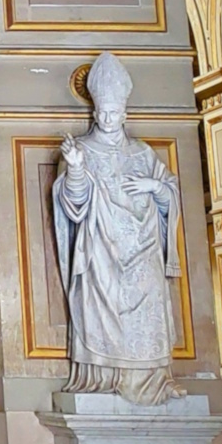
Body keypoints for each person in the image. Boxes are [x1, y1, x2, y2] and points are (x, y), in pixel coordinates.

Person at [51, 52, 184, 405]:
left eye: (114, 113)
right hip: (102, 254)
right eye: (103, 113)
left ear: (125, 114)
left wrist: (156, 187)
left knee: (150, 311)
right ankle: (107, 375)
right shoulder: (82, 150)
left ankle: (154, 379)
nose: (108, 118)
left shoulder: (143, 153)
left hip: (145, 250)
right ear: (95, 113)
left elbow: (170, 194)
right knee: (102, 311)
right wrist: (75, 168)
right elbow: (74, 205)